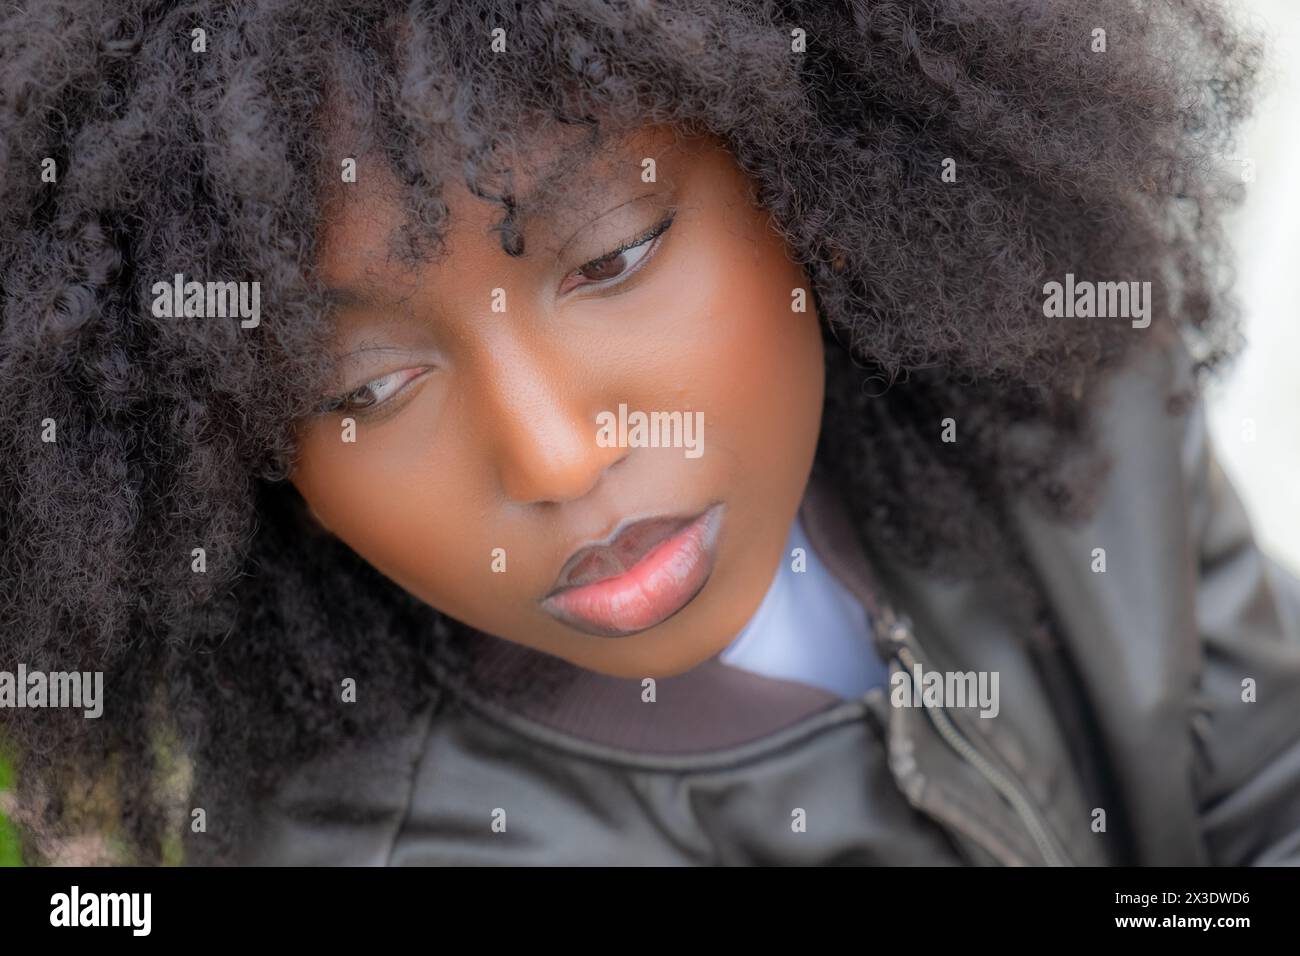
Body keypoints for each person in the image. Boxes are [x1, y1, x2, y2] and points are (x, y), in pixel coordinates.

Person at [1, 0, 1296, 866]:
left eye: (615, 254)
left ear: (810, 173)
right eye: (364, 390)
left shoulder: (1054, 381)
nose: (559, 458)